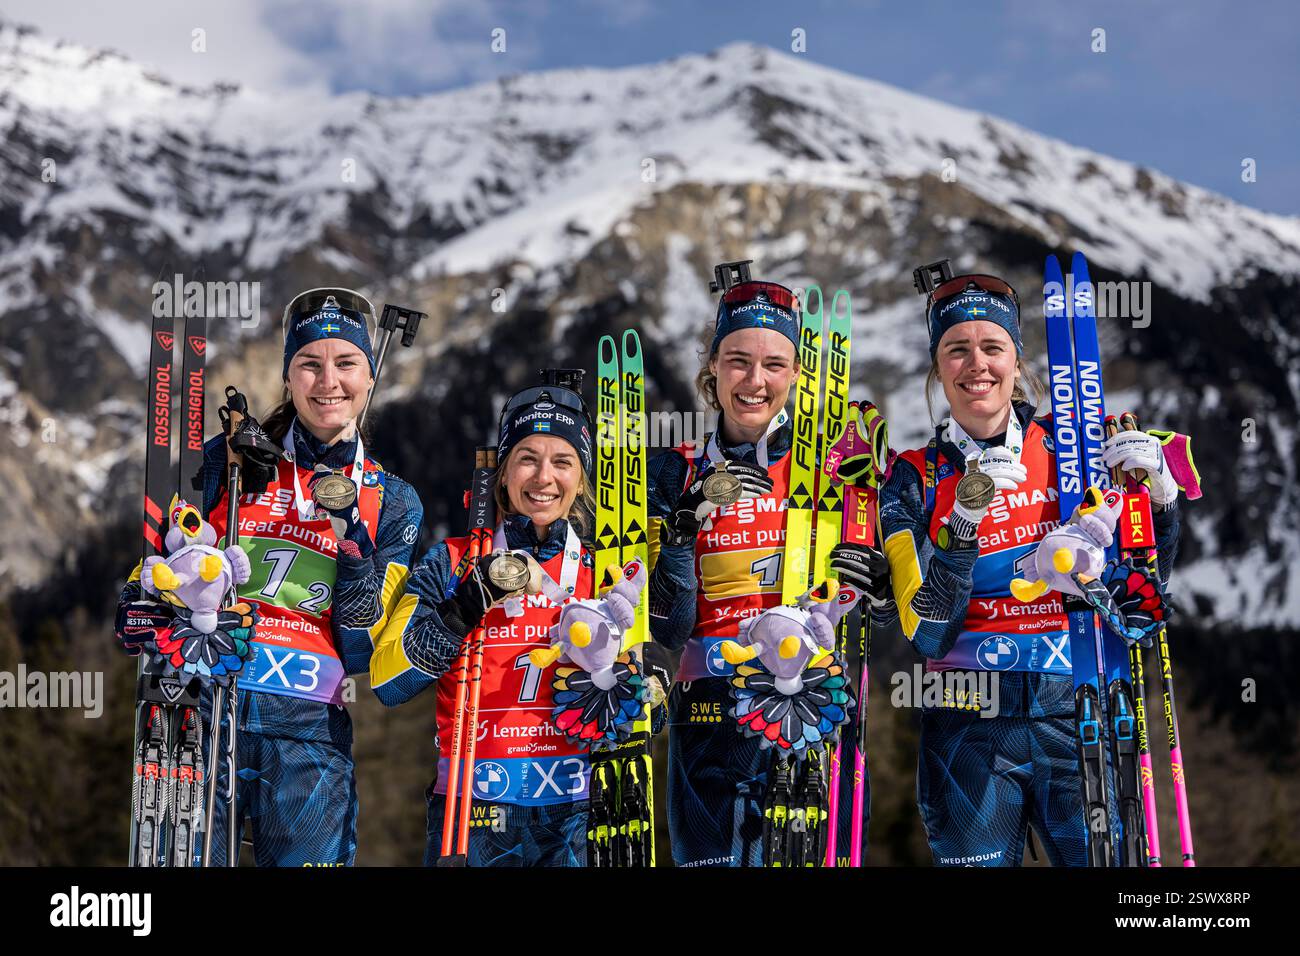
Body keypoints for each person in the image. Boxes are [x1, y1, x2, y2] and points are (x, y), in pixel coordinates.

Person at [877, 266, 1184, 866]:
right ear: (937, 367)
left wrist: (1161, 501)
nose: (976, 365)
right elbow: (926, 630)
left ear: (1017, 361)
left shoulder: (1074, 447)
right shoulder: (912, 477)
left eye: (993, 347)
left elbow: (1145, 597)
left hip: (1078, 705)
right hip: (967, 721)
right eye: (956, 350)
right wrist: (963, 523)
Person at [116, 287, 424, 866]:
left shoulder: (392, 499)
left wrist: (356, 560)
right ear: (288, 375)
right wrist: (140, 597)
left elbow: (360, 649)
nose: (327, 381)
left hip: (308, 729)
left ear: (369, 373)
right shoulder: (230, 461)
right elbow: (166, 549)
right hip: (201, 708)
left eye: (346, 363)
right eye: (309, 364)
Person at [646, 267, 890, 867]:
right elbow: (663, 628)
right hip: (706, 712)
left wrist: (880, 591)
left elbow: (879, 613)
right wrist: (683, 530)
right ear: (712, 368)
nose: (755, 381)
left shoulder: (838, 464)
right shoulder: (670, 471)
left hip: (805, 705)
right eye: (737, 361)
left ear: (799, 376)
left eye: (774, 364)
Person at [371, 373, 658, 867]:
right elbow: (388, 682)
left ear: (581, 479)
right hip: (474, 812)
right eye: (527, 458)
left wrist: (644, 689)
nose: (544, 477)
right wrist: (461, 610)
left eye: (562, 462)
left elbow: (646, 695)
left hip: (577, 814)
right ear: (502, 473)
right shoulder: (454, 561)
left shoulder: (605, 570)